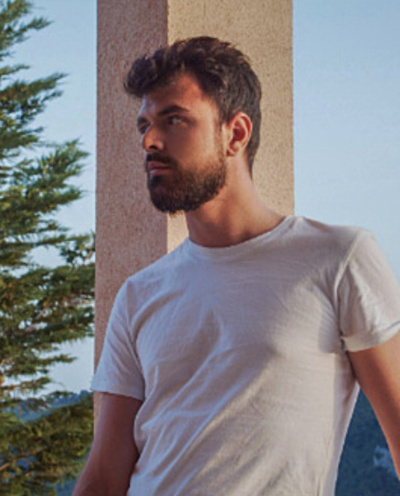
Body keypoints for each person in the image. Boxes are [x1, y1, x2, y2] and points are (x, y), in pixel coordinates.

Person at [73, 37, 400, 496]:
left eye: (174, 120)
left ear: (236, 133)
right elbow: (104, 477)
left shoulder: (339, 258)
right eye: (145, 124)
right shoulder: (139, 294)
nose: (149, 141)